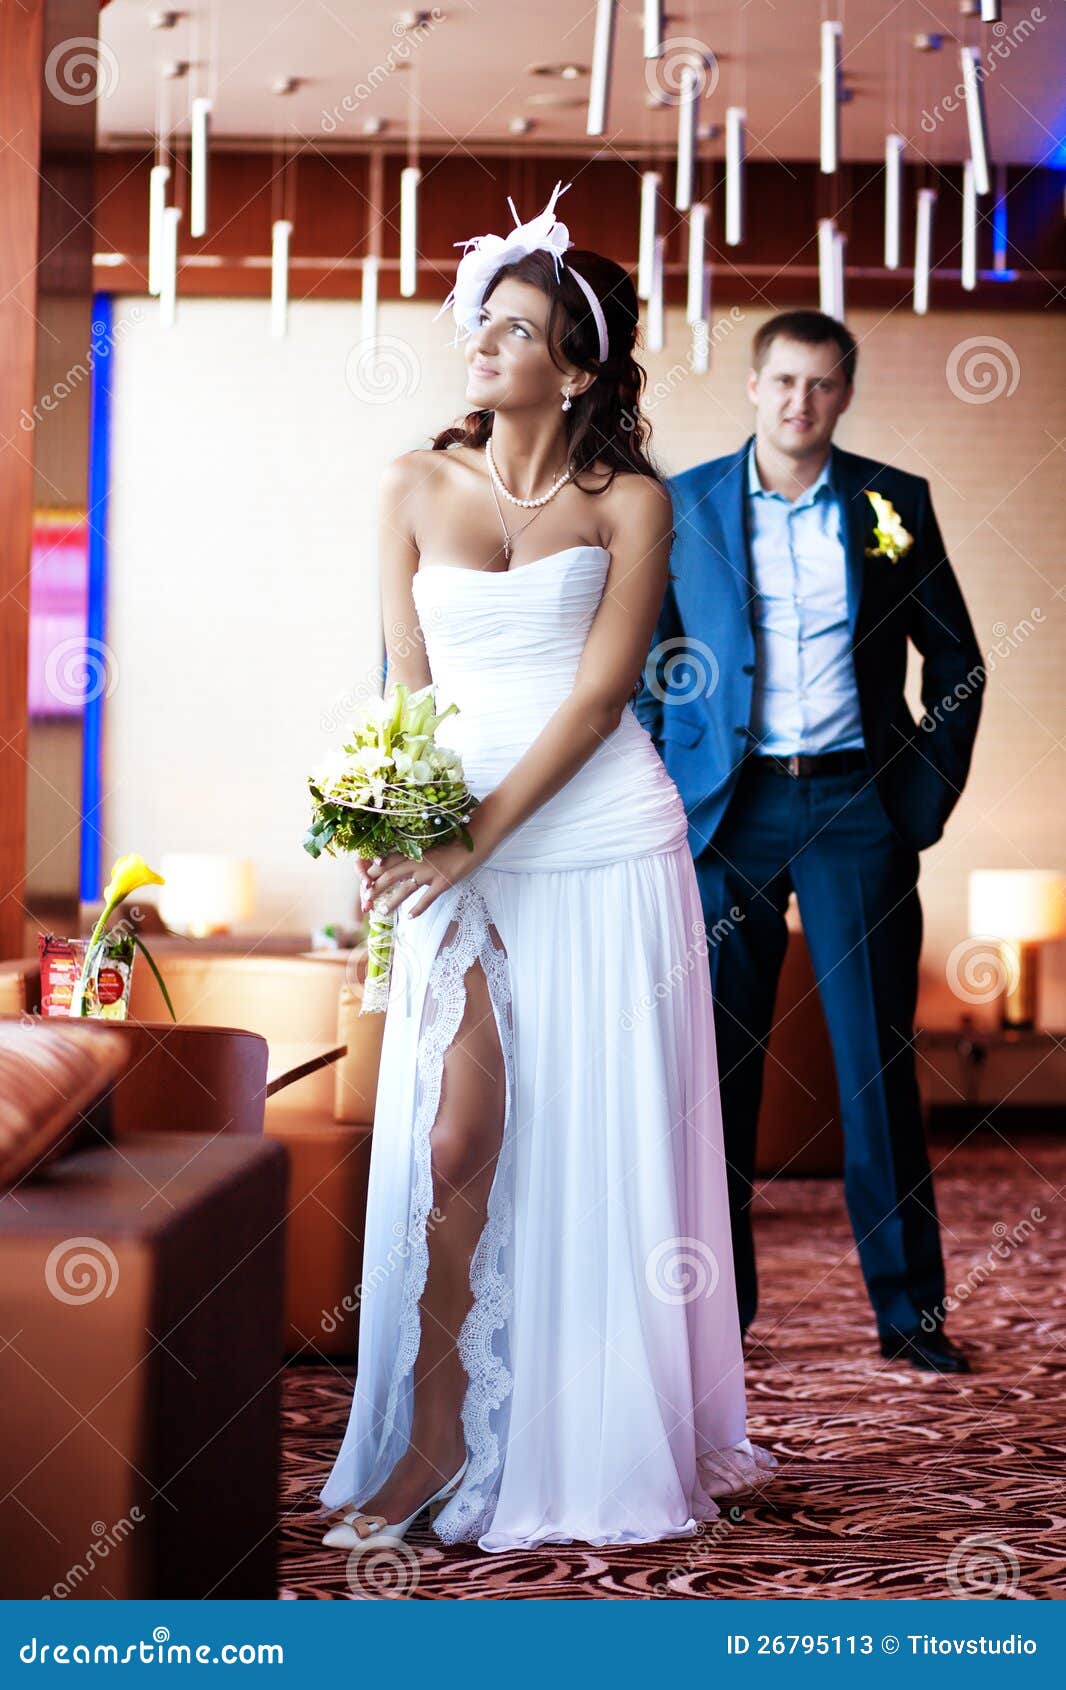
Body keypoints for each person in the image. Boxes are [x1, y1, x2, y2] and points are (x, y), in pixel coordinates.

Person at [317, 182, 775, 1556]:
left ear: (571, 366)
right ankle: (433, 1439)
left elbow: (596, 700)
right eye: (482, 321)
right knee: (454, 1142)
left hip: (595, 832)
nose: (480, 343)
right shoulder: (410, 481)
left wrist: (477, 831)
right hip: (457, 831)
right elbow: (404, 680)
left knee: (594, 1138)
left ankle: (592, 1437)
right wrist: (389, 821)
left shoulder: (627, 501)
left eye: (513, 329)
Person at [635, 309, 985, 1375]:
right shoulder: (681, 504)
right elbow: (649, 665)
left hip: (853, 811)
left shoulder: (893, 503)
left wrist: (913, 806)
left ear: (844, 393)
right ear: (754, 387)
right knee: (715, 1069)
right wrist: (668, 789)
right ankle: (716, 1318)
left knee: (875, 1061)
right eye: (783, 381)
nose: (801, 402)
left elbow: (957, 661)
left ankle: (909, 1312)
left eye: (822, 385)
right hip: (727, 818)